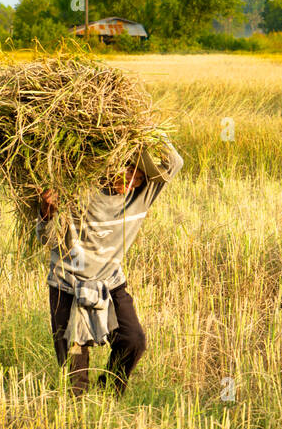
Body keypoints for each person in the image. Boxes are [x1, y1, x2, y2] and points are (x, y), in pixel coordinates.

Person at [38, 135, 183, 396]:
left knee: (133, 340)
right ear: (112, 165)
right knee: (75, 368)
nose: (131, 183)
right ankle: (77, 421)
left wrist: (145, 131)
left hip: (110, 282)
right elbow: (47, 240)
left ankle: (110, 394)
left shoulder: (142, 195)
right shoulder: (78, 192)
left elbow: (175, 161)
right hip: (68, 284)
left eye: (138, 177)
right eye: (128, 173)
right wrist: (47, 212)